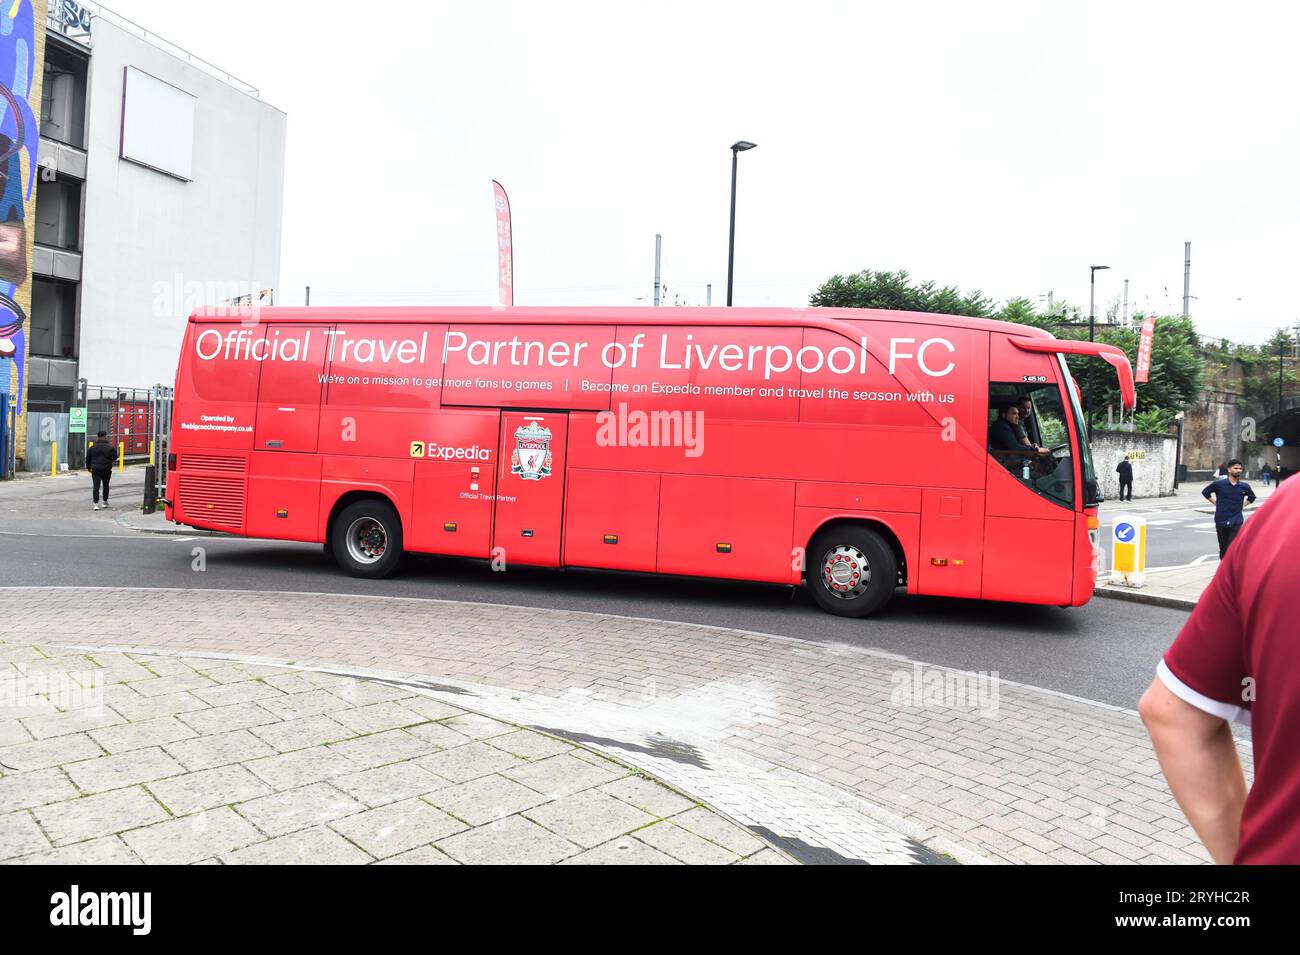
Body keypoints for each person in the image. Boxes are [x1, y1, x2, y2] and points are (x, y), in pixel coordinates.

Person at [1138, 474, 1300, 864]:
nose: (1238, 475)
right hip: (1225, 523)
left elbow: (1170, 713)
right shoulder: (1237, 494)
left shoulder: (1284, 508)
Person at [1202, 459, 1255, 559]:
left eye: (1240, 469)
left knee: (1232, 547)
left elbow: (1252, 498)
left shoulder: (1244, 486)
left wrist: (1242, 505)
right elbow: (1205, 492)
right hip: (1221, 519)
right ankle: (1223, 569)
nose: (1238, 470)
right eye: (1236, 468)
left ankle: (1231, 570)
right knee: (1223, 548)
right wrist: (1215, 503)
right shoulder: (1219, 484)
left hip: (1236, 520)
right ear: (1229, 470)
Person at [86, 430, 117, 510]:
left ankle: (96, 504)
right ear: (105, 436)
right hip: (106, 468)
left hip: (95, 469)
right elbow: (114, 457)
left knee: (96, 486)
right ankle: (104, 502)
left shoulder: (92, 447)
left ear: (98, 436)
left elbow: (88, 458)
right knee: (106, 485)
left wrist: (89, 468)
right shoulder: (110, 447)